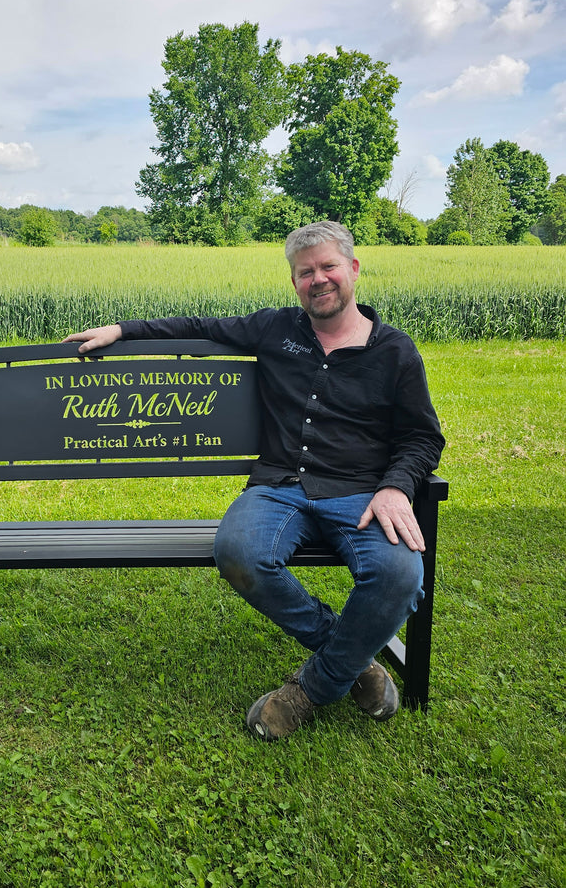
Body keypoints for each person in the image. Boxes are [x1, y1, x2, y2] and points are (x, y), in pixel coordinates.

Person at [64, 221, 445, 740]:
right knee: (239, 552)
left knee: (400, 574)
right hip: (280, 488)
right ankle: (354, 660)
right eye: (305, 272)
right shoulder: (276, 329)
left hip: (360, 495)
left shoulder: (395, 351)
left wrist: (396, 486)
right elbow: (199, 326)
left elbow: (423, 438)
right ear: (294, 283)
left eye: (329, 266)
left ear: (353, 269)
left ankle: (308, 691)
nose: (319, 279)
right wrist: (123, 331)